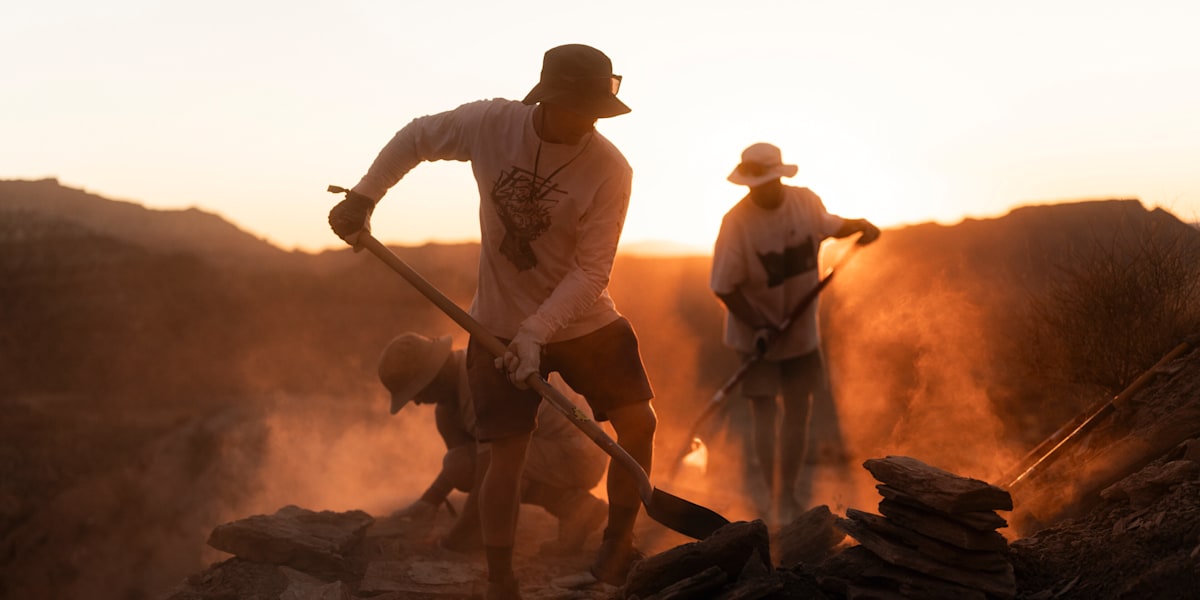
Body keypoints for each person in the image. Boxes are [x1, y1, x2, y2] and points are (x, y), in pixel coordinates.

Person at [328, 44, 657, 599]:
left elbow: (592, 270)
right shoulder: (492, 124)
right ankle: (501, 582)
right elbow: (416, 136)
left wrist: (537, 332)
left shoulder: (610, 169)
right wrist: (364, 196)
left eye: (594, 111)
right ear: (546, 98)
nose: (586, 121)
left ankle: (614, 551)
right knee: (502, 451)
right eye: (575, 106)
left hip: (581, 318)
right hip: (496, 322)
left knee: (640, 423)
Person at [709, 142, 880, 525]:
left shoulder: (805, 203)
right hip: (758, 338)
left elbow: (832, 226)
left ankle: (786, 494)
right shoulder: (736, 223)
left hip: (802, 335)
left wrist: (862, 226)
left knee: (799, 412)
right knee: (765, 412)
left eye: (767, 182)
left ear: (780, 178)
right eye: (755, 185)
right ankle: (771, 497)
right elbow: (723, 286)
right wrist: (761, 327)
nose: (761, 190)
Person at [378, 332, 609, 555]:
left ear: (433, 378)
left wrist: (453, 541)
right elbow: (466, 465)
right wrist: (431, 499)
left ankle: (571, 509)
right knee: (463, 462)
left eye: (417, 392)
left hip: (581, 453)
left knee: (493, 466)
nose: (417, 402)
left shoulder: (482, 382)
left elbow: (487, 473)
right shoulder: (459, 389)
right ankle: (577, 509)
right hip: (558, 450)